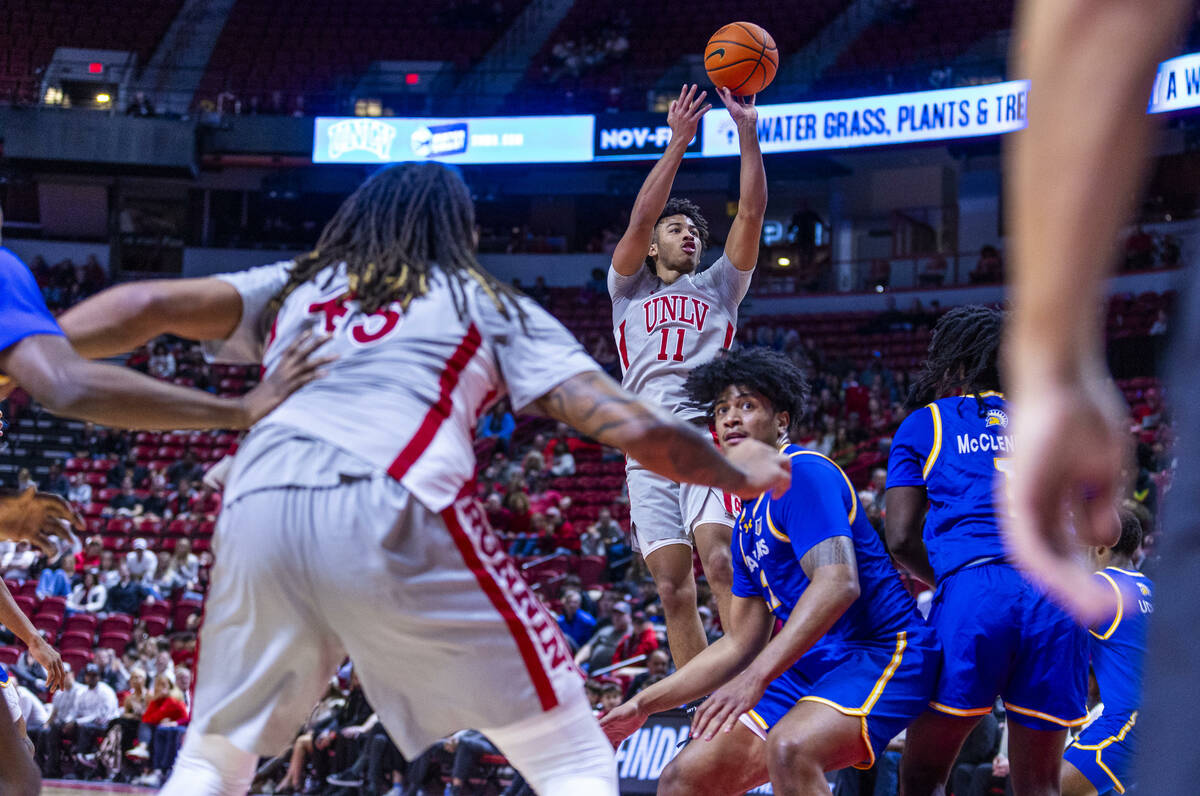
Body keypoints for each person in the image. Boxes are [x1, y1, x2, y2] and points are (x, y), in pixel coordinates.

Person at [56, 161, 791, 796]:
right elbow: (629, 425)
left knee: (215, 759)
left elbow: (145, 305)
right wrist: (737, 468)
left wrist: (30, 348)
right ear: (456, 233)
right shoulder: (484, 299)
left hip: (256, 509)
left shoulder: (300, 282)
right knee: (569, 749)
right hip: (393, 500)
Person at [1001, 2, 1193, 790]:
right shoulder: (1142, 583)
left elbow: (1095, 14)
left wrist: (1051, 356)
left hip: (1115, 746)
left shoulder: (1106, 587)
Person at [602, 348, 939, 794]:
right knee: (685, 778)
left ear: (781, 420)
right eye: (721, 410)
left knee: (790, 749)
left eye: (746, 405)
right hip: (807, 665)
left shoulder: (803, 473)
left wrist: (755, 678)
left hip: (881, 652)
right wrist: (642, 704)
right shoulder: (744, 521)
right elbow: (740, 641)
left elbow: (838, 584)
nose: (730, 419)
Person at [884, 306, 1088, 795]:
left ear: (954, 364)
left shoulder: (927, 422)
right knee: (1040, 785)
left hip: (977, 589)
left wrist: (955, 581)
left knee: (921, 778)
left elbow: (899, 539)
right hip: (1059, 595)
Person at [609, 83, 765, 667]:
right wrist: (678, 142)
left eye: (694, 231)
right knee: (674, 590)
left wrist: (745, 132)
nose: (689, 235)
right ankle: (704, 711)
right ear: (651, 247)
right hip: (646, 449)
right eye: (676, 230)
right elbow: (642, 214)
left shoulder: (721, 286)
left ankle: (754, 696)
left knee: (720, 561)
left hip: (705, 435)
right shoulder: (626, 290)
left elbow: (751, 212)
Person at [1061, 510, 1150, 796]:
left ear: (1100, 546)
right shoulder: (1151, 588)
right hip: (1161, 720)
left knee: (1046, 787)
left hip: (1128, 722)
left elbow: (1047, 636)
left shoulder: (1103, 587)